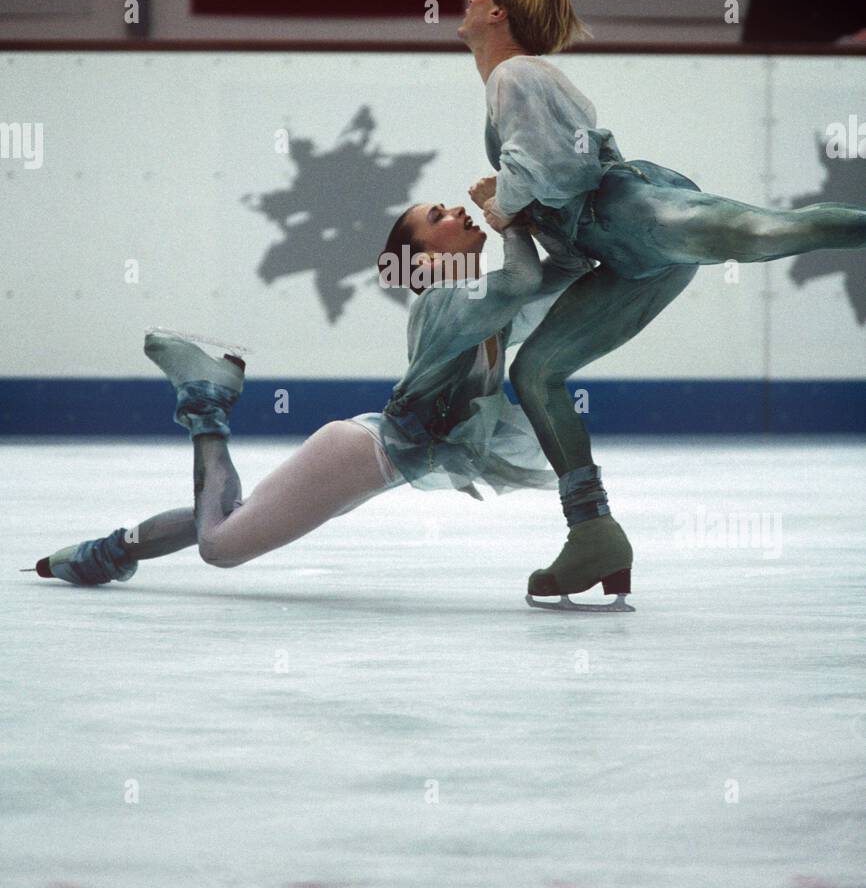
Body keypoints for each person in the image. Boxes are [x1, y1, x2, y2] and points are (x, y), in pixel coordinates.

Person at [458, 0, 866, 607]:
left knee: (766, 233)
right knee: (535, 373)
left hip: (633, 211)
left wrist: (503, 200)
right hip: (620, 256)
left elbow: (559, 166)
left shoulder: (516, 74)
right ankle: (594, 533)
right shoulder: (511, 84)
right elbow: (550, 199)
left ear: (500, 13)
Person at [31, 197, 626, 607]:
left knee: (231, 515)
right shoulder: (446, 300)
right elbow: (524, 277)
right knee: (220, 547)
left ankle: (103, 556)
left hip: (375, 458)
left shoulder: (481, 304)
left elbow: (561, 273)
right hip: (365, 452)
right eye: (438, 216)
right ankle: (204, 400)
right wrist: (511, 219)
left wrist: (550, 209)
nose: (457, 211)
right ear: (423, 261)